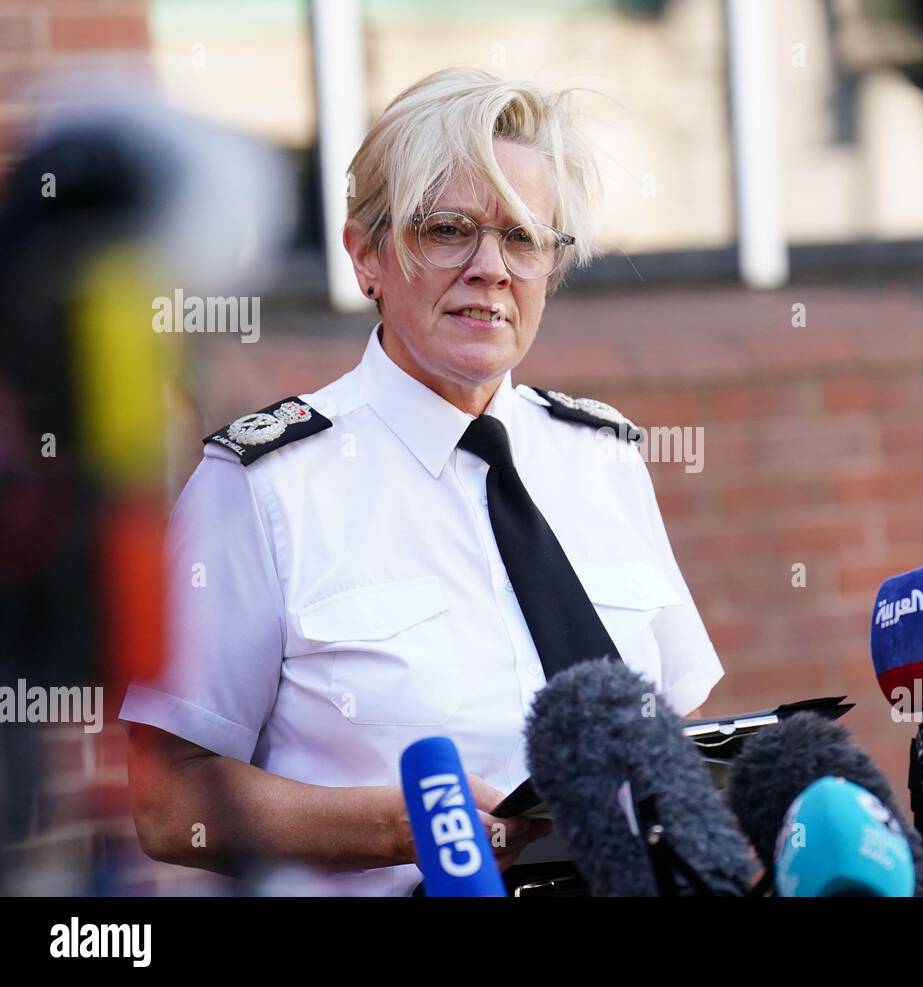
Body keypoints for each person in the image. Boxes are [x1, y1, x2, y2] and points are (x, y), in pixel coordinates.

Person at [120, 67, 724, 895]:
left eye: (522, 237)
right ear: (366, 253)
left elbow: (675, 733)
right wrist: (400, 824)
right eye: (448, 229)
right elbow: (167, 799)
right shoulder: (264, 489)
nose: (490, 267)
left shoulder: (603, 457)